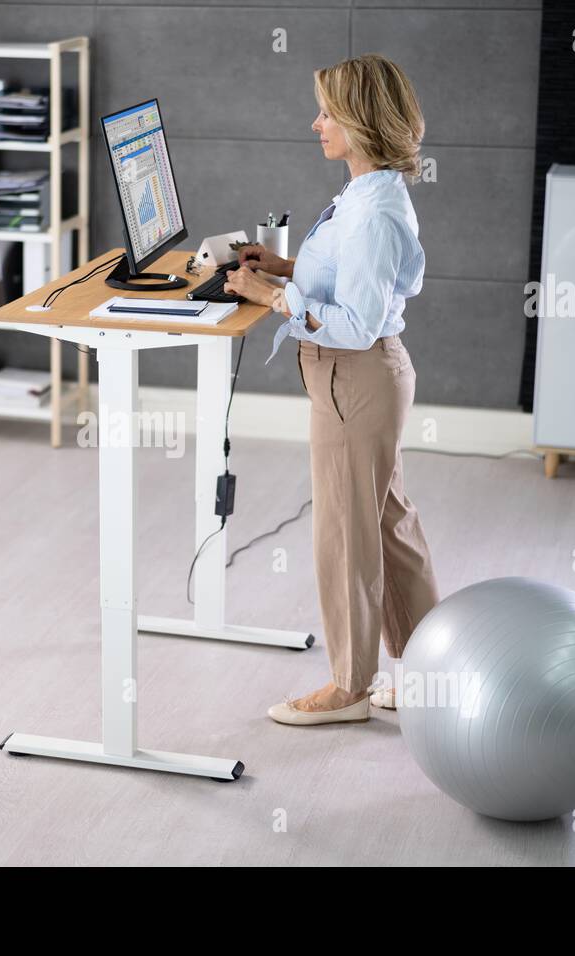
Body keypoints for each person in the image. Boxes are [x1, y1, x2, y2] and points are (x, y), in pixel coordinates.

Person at [222, 54, 440, 725]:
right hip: (368, 378)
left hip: (354, 376)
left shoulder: (372, 211)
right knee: (388, 525)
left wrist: (273, 295)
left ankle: (349, 688)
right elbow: (354, 276)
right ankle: (429, 675)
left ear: (360, 122)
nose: (315, 124)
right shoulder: (370, 192)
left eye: (327, 113)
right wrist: (285, 267)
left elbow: (355, 323)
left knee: (346, 534)